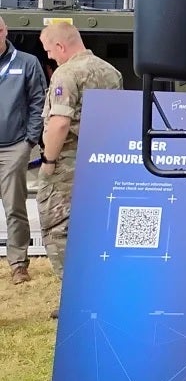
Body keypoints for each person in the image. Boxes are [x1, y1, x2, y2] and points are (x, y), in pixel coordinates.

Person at [37, 21, 122, 294]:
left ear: (61, 46)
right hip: (102, 163)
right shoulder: (112, 73)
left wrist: (48, 162)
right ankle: (99, 290)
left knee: (56, 228)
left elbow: (60, 123)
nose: (49, 56)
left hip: (67, 166)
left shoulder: (65, 74)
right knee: (96, 229)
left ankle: (75, 296)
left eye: (49, 50)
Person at [0, 17, 46, 284]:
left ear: (5, 31)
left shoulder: (27, 63)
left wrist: (29, 140)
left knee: (14, 206)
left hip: (14, 146)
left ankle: (18, 264)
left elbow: (38, 100)